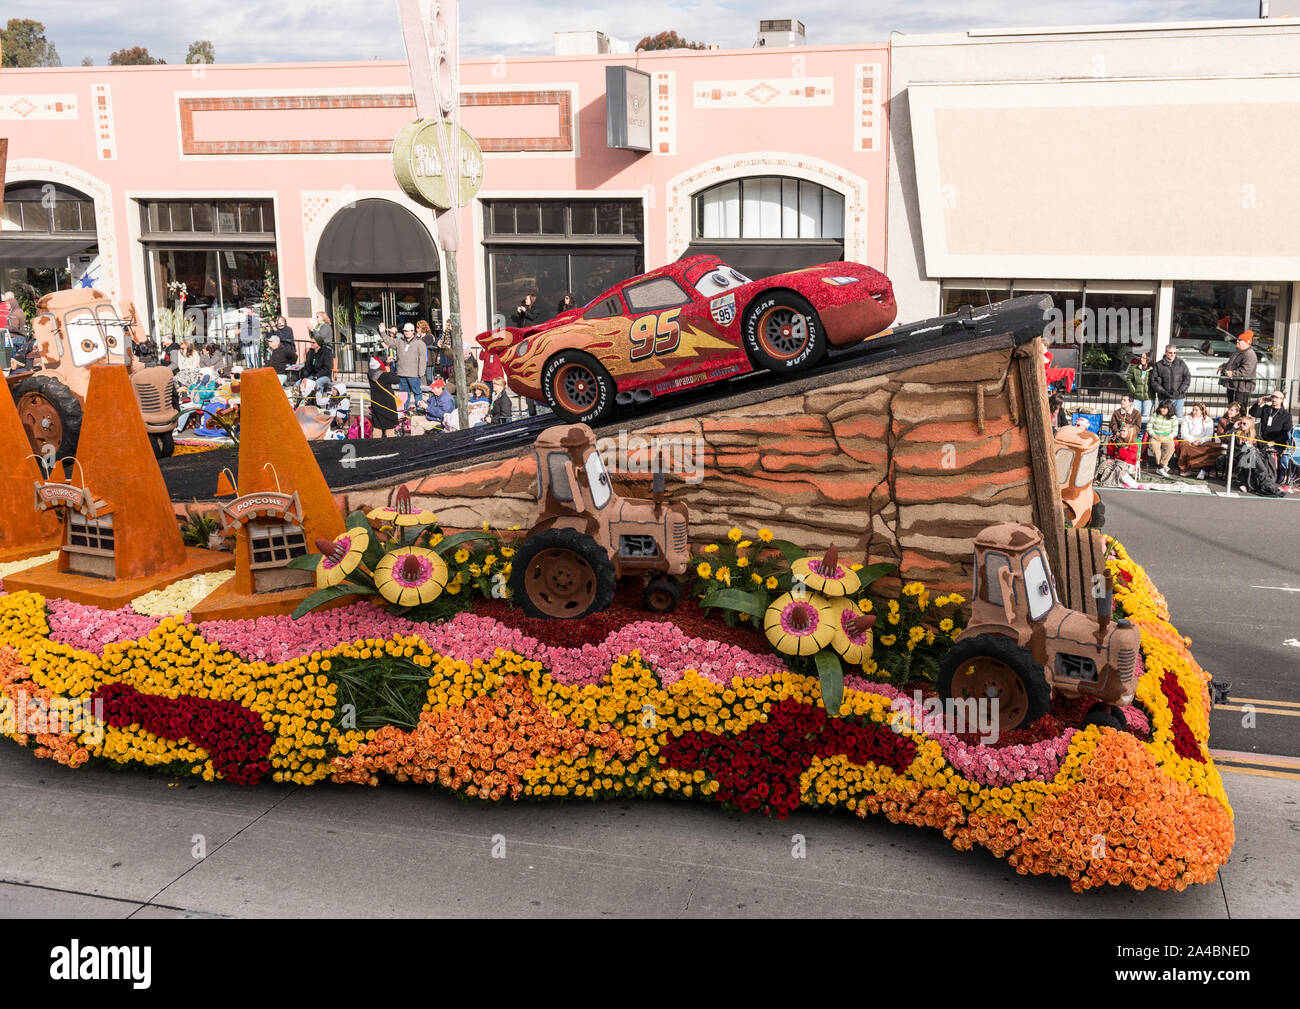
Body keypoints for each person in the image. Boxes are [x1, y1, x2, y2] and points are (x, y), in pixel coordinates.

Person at [381, 322, 428, 412]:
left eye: (408, 331)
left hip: (414, 374)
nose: (406, 332)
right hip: (402, 373)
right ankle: (402, 410)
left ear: (413, 331)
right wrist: (382, 332)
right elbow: (389, 342)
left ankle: (420, 409)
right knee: (403, 393)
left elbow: (423, 358)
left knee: (417, 392)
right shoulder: (399, 341)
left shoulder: (420, 343)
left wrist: (421, 372)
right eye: (404, 331)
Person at [1250, 390, 1294, 481]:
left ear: (1281, 400)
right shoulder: (1266, 409)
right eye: (1273, 397)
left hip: (1276, 442)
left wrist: (1274, 442)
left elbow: (1287, 433)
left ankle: (1267, 477)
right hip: (1262, 440)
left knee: (1267, 453)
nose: (1274, 399)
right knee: (1249, 450)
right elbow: (1253, 413)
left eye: (1277, 398)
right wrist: (1258, 403)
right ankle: (1252, 476)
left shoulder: (1286, 415)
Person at [1175, 402, 1219, 479]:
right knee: (1183, 447)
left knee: (1210, 448)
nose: (1194, 412)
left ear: (1202, 411)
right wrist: (1192, 441)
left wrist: (1200, 442)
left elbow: (1209, 435)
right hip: (1189, 441)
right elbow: (1184, 433)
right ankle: (1186, 469)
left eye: (1196, 410)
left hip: (1203, 441)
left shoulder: (1208, 420)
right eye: (1193, 410)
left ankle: (1203, 470)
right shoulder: (1186, 418)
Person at [1219, 331, 1258, 410]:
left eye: (1240, 340)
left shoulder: (1250, 354)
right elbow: (1231, 364)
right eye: (1238, 339)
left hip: (1242, 387)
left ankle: (1240, 421)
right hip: (1233, 386)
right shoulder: (1238, 351)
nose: (1237, 341)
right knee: (1231, 408)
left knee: (1240, 409)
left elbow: (1246, 371)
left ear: (1247, 343)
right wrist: (1223, 367)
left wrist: (1233, 373)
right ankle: (1232, 421)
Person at [1151, 343, 1191, 418]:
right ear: (1166, 353)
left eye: (1174, 353)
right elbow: (1154, 381)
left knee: (1178, 418)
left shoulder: (1181, 363)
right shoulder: (1158, 365)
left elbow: (1187, 378)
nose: (1172, 354)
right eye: (1170, 353)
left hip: (1179, 397)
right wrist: (1164, 392)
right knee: (1163, 418)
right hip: (1164, 398)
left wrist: (1180, 391)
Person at [300, 325, 335, 409]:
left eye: (313, 343)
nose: (311, 344)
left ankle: (317, 404)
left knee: (317, 383)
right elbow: (307, 367)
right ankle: (304, 403)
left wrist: (316, 376)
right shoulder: (310, 353)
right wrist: (304, 378)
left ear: (319, 343)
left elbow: (327, 368)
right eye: (310, 342)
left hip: (324, 375)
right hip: (312, 374)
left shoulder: (326, 353)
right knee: (299, 383)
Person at [368, 357, 400, 437]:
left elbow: (376, 368)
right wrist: (389, 371)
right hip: (387, 403)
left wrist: (385, 363)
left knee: (377, 426)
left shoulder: (370, 374)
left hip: (375, 402)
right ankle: (390, 445)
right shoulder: (385, 375)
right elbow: (397, 380)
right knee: (389, 426)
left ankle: (377, 445)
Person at [1148, 400, 1178, 476]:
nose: (1163, 410)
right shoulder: (1155, 415)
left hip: (1167, 437)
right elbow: (1149, 427)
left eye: (1165, 408)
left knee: (1171, 447)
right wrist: (1155, 435)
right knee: (1154, 447)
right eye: (1162, 408)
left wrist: (1164, 438)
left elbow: (1175, 431)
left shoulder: (1173, 417)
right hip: (1155, 436)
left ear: (1169, 409)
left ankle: (1162, 465)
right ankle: (1161, 468)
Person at [1125, 352, 1154, 418]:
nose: (1141, 359)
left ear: (1148, 359)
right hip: (1136, 397)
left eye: (1144, 358)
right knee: (1135, 416)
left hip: (1148, 398)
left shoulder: (1153, 370)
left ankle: (1143, 429)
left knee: (1145, 417)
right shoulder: (1135, 368)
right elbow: (1129, 380)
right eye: (1141, 357)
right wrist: (1133, 390)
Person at [418, 320, 439, 385]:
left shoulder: (429, 336)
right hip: (420, 361)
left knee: (429, 379)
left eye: (418, 328)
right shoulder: (418, 337)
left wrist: (418, 337)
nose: (416, 329)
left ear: (422, 328)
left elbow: (422, 345)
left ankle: (431, 393)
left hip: (428, 361)